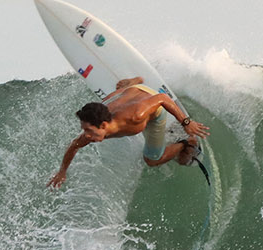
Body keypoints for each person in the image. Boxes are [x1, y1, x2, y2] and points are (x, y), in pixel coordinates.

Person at [47, 77, 210, 188]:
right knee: (106, 102)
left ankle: (186, 143)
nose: (86, 135)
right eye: (84, 130)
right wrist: (62, 172)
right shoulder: (100, 122)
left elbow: (163, 98)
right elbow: (74, 145)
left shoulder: (135, 115)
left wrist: (186, 122)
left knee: (152, 160)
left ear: (103, 125)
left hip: (153, 108)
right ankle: (133, 83)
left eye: (89, 130)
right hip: (134, 91)